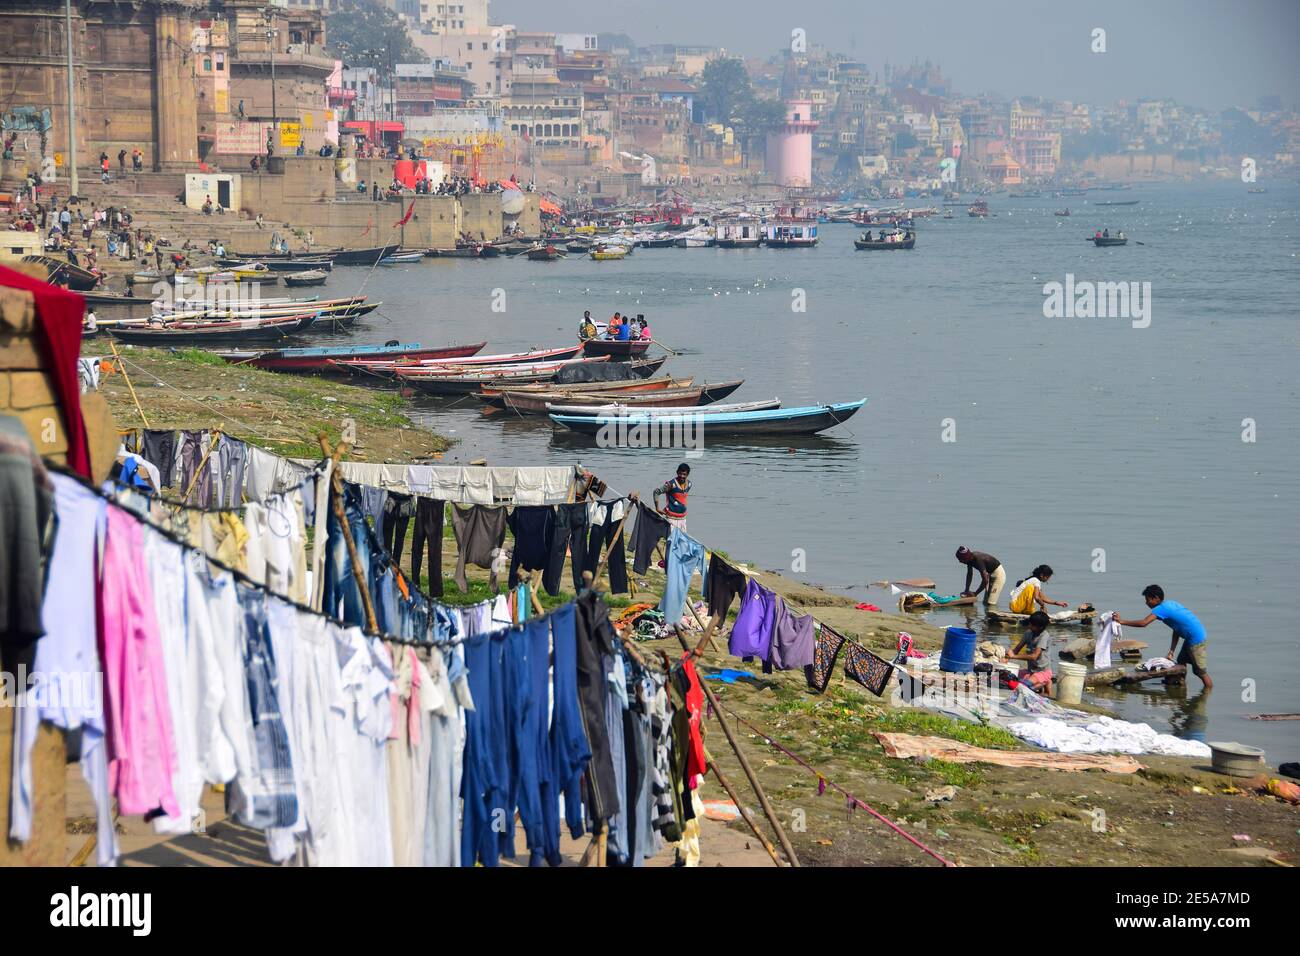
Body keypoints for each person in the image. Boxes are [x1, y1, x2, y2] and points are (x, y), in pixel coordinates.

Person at [1113, 586, 1212, 688]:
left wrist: (1121, 621)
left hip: (1196, 639)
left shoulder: (1161, 609)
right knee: (1181, 661)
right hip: (1193, 635)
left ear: (1155, 598)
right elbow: (1176, 629)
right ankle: (1179, 685)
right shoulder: (1170, 604)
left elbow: (1144, 623)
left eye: (1148, 599)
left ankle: (1207, 693)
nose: (1146, 603)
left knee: (1200, 672)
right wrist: (1171, 651)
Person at [1009, 611, 1054, 695]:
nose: (1029, 625)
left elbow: (1034, 656)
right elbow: (1016, 650)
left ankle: (1045, 682)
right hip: (1031, 671)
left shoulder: (1044, 636)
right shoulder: (1028, 633)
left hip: (1043, 671)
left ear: (1040, 627)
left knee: (1024, 687)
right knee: (1010, 678)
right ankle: (1040, 684)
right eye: (1030, 623)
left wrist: (1014, 656)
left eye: (1032, 625)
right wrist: (1006, 656)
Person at [653, 463, 692, 532]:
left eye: (684, 475)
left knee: (682, 540)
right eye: (680, 474)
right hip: (671, 518)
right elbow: (656, 492)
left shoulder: (689, 484)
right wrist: (657, 508)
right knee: (671, 540)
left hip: (682, 518)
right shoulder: (670, 484)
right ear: (677, 472)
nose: (682, 476)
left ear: (687, 474)